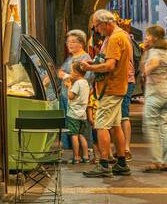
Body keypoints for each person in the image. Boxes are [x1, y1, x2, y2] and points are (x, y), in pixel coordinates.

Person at [80, 9, 136, 176]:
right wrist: (94, 62)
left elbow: (110, 65)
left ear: (106, 23)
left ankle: (104, 164)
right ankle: (121, 163)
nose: (97, 30)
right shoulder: (122, 36)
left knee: (101, 125)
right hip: (118, 87)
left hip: (111, 88)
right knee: (116, 125)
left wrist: (90, 67)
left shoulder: (115, 38)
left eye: (97, 26)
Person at [140, 24, 167, 172]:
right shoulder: (166, 52)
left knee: (151, 127)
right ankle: (165, 161)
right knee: (164, 127)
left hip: (155, 95)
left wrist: (146, 65)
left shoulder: (153, 52)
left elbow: (148, 68)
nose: (145, 37)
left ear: (153, 37)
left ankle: (156, 161)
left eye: (147, 35)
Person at [58, 29, 91, 157]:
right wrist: (64, 75)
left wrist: (66, 76)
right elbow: (61, 71)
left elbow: (85, 78)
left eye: (73, 42)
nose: (69, 44)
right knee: (68, 126)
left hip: (75, 99)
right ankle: (71, 151)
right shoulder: (71, 57)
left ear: (81, 43)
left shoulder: (85, 58)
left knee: (78, 127)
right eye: (68, 42)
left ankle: (82, 153)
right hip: (66, 96)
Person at [65, 59, 91, 164]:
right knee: (82, 135)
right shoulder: (85, 83)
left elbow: (71, 96)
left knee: (74, 135)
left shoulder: (77, 84)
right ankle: (85, 156)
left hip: (73, 114)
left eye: (71, 71)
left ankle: (76, 157)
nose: (70, 73)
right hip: (82, 115)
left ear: (76, 73)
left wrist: (69, 86)